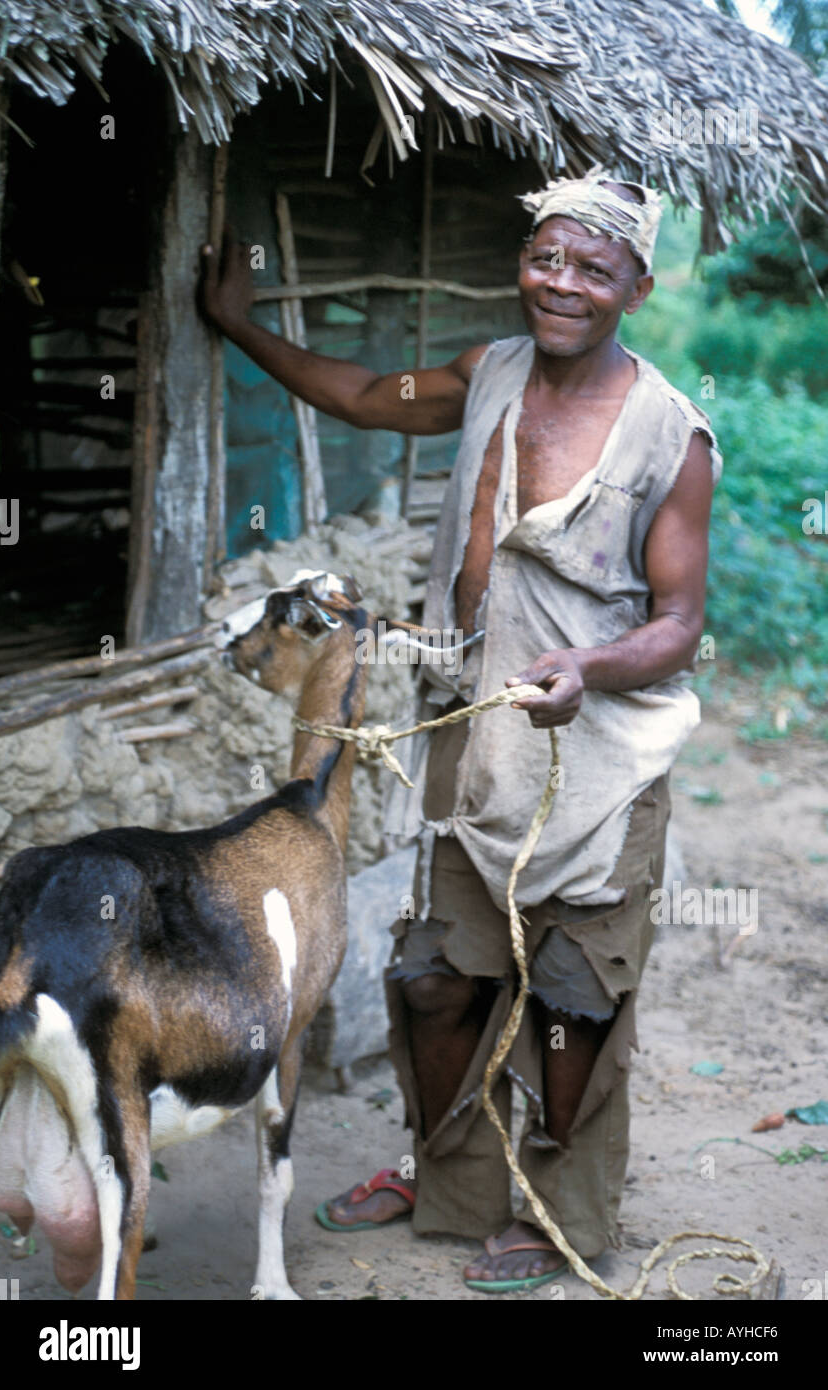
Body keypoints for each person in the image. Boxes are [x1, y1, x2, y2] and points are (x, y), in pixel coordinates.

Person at [199, 166, 721, 1294]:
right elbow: (355, 392)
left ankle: (553, 1208)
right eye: (546, 257)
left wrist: (586, 664)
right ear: (520, 262)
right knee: (436, 979)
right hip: (470, 739)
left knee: (577, 996)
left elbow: (678, 621)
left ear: (634, 283)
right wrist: (237, 322)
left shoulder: (667, 438)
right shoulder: (487, 376)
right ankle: (448, 1175)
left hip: (598, 758)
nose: (561, 283)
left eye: (592, 267)